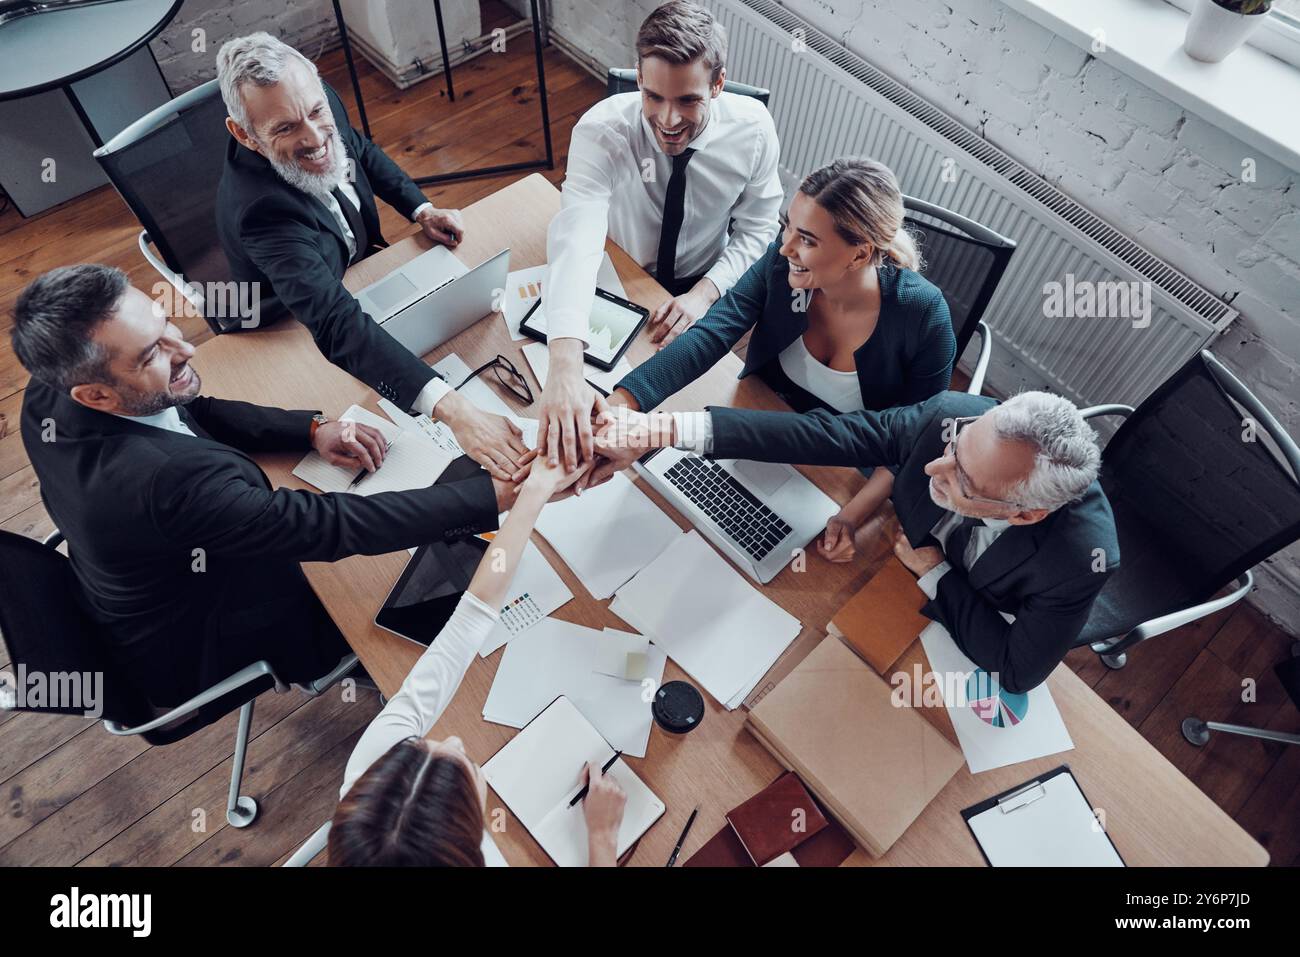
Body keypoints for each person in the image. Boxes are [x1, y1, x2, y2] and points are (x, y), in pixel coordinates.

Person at [13, 264, 528, 710]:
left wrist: (309, 428)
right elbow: (325, 527)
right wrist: (492, 498)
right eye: (152, 356)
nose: (187, 348)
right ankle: (361, 672)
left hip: (141, 582)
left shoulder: (49, 395)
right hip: (202, 635)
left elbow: (188, 413)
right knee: (385, 606)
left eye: (166, 323)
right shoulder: (168, 484)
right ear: (96, 394)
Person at [593, 390, 1120, 693]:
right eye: (956, 445)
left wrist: (934, 572)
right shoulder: (947, 418)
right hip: (870, 575)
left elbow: (1016, 668)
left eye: (962, 480)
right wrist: (662, 429)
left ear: (1025, 514)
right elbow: (828, 435)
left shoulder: (1079, 561)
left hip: (931, 631)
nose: (936, 465)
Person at [607, 157, 956, 558]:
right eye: (787, 224)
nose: (785, 245)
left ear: (859, 255)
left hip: (840, 466)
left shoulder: (924, 316)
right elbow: (714, 332)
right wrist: (622, 405)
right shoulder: (782, 259)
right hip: (753, 420)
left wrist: (850, 515)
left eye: (807, 239)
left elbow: (913, 439)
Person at [215, 33, 526, 481]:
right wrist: (455, 410)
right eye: (285, 128)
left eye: (316, 111)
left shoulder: (316, 102)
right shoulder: (258, 212)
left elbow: (358, 150)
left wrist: (420, 208)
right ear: (244, 135)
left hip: (355, 268)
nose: (315, 136)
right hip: (284, 326)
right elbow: (335, 323)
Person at [329, 455, 628, 867]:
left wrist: (534, 493)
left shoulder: (372, 771)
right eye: (467, 763)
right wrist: (603, 840)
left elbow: (472, 617)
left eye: (422, 744)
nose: (453, 739)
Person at [537, 0, 783, 473]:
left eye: (688, 100)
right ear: (638, 78)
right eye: (653, 97)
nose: (669, 120)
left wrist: (704, 293)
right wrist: (564, 360)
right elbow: (577, 237)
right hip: (618, 274)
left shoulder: (753, 131)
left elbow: (758, 228)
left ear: (718, 85)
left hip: (704, 284)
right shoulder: (601, 129)